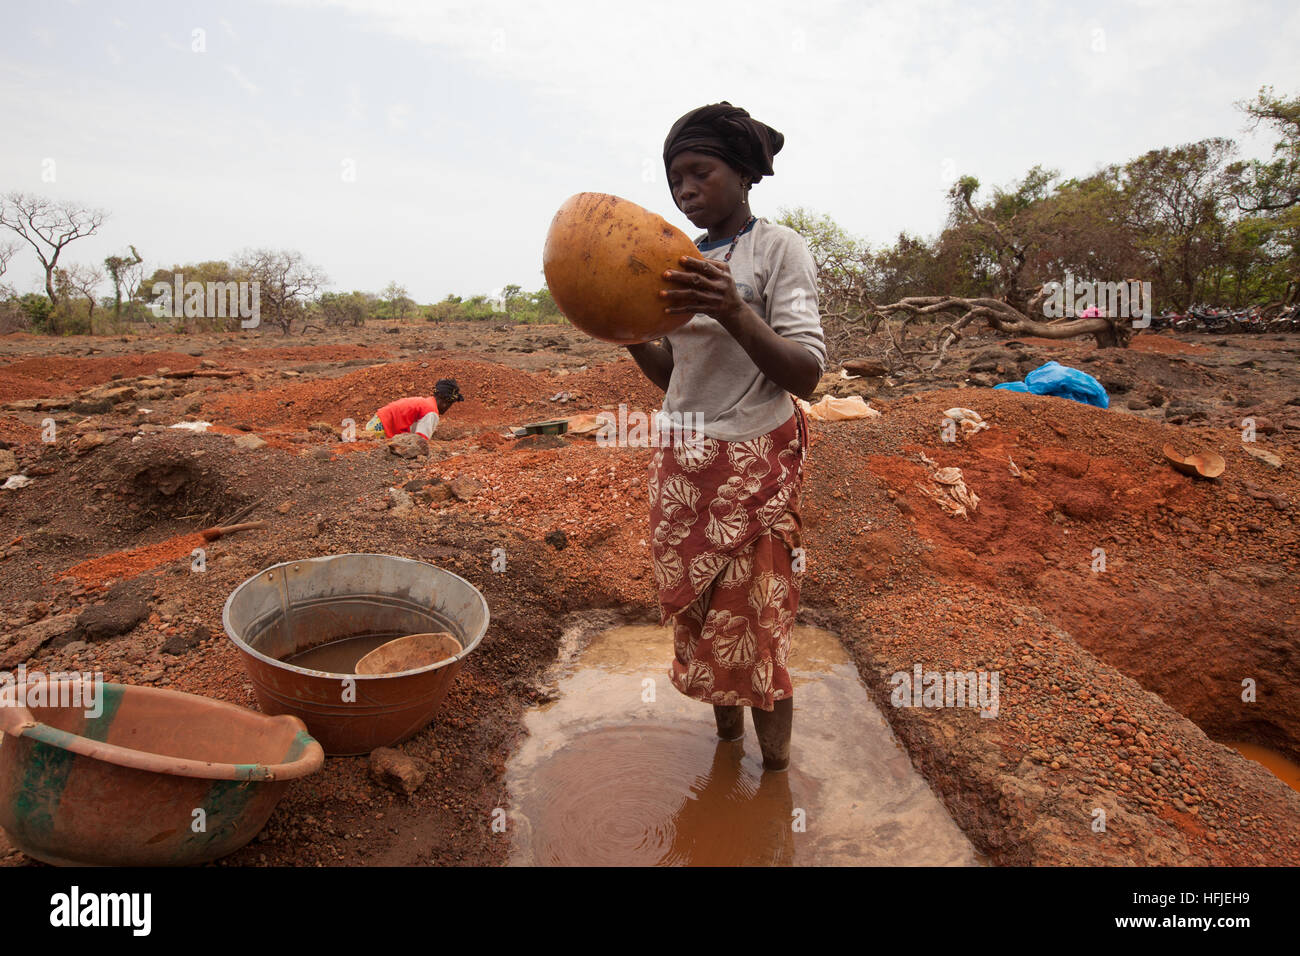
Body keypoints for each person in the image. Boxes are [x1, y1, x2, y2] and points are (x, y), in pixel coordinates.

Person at [625, 101, 826, 771]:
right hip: (685, 467)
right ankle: (725, 747)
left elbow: (808, 373)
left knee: (758, 627)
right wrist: (627, 333)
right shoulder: (676, 262)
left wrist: (734, 307)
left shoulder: (779, 250)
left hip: (757, 465)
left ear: (741, 172)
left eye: (699, 172)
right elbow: (675, 378)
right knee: (707, 615)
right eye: (674, 178)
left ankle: (773, 784)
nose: (684, 190)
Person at [366, 379, 463, 439]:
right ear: (445, 402)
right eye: (450, 405)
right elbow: (420, 439)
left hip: (377, 421)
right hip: (383, 428)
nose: (447, 409)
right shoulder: (431, 411)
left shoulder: (425, 403)